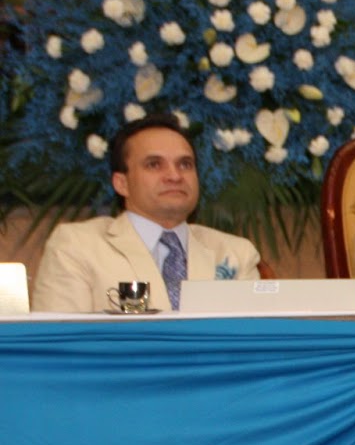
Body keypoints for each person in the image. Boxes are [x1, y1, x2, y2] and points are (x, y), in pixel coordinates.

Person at [32, 115, 261, 312]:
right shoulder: (77, 246)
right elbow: (60, 346)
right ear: (122, 183)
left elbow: (255, 344)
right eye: (154, 164)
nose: (174, 176)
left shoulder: (236, 253)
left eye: (185, 164)